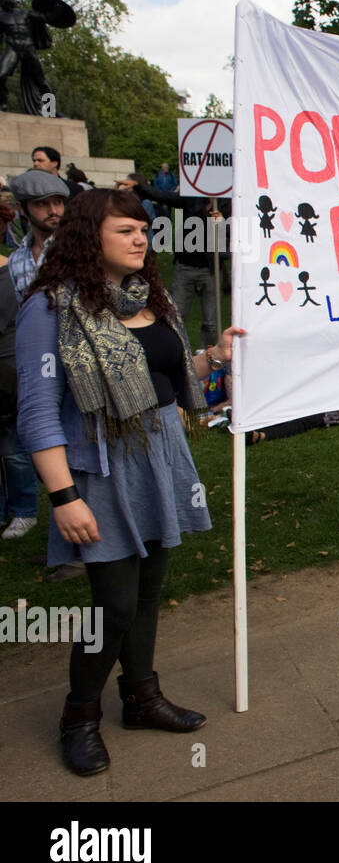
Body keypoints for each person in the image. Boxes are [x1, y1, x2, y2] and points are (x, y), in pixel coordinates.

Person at [16, 188, 244, 777]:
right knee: (113, 606)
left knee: (147, 593)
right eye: (126, 230)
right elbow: (38, 412)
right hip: (99, 467)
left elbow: (162, 376)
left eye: (143, 229)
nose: (141, 239)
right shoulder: (51, 308)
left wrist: (211, 358)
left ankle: (141, 698)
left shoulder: (151, 297)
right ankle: (79, 717)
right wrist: (63, 497)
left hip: (161, 457)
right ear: (89, 237)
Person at [0, 169, 70, 540]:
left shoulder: (78, 250)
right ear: (25, 208)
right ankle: (63, 536)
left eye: (58, 202)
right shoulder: (17, 261)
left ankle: (82, 544)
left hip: (77, 360)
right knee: (41, 443)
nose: (53, 210)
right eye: (43, 204)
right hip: (36, 363)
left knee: (76, 450)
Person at [118, 173, 222, 349]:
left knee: (211, 321)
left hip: (209, 270)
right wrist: (138, 185)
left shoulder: (225, 204)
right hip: (186, 267)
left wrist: (221, 221)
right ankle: (175, 352)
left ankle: (211, 358)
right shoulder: (190, 199)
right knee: (175, 315)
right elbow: (163, 196)